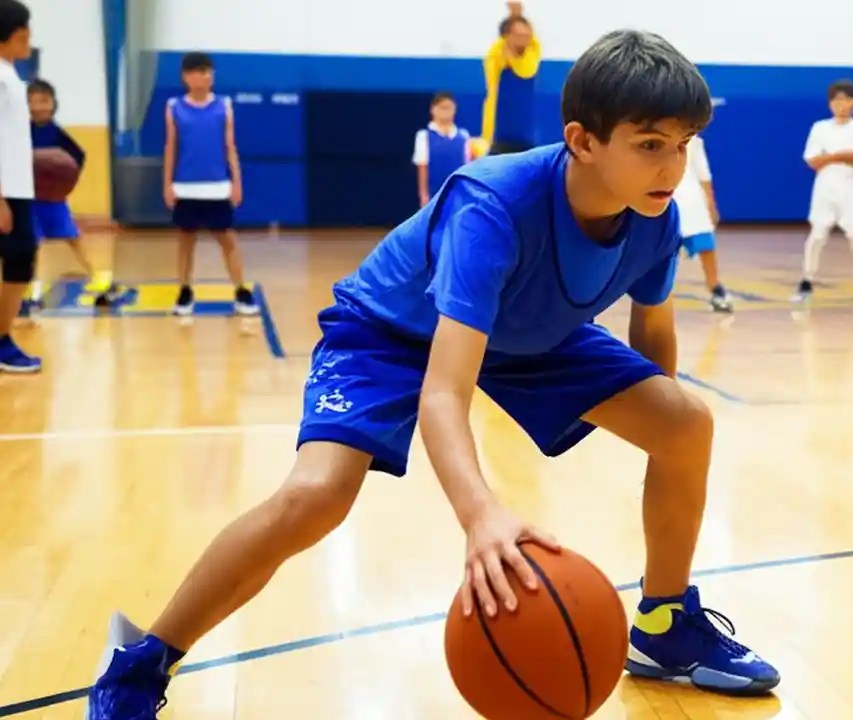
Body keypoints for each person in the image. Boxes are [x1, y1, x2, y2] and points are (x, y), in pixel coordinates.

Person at [85, 29, 781, 719]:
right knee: (316, 495)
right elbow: (443, 392)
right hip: (390, 330)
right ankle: (143, 659)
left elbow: (653, 331)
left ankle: (663, 626)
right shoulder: (493, 205)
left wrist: (652, 420)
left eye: (684, 144)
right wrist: (480, 516)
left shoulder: (656, 219)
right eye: (651, 145)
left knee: (687, 424)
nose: (672, 166)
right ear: (583, 140)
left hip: (527, 334)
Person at [164, 51, 258, 317]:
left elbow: (230, 146)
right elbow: (171, 147)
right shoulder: (173, 107)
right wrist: (167, 183)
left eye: (208, 71)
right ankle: (184, 291)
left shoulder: (223, 105)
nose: (205, 76)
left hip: (218, 186)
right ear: (186, 77)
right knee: (185, 241)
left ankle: (241, 290)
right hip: (185, 186)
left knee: (228, 240)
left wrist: (236, 182)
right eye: (199, 71)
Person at [26, 78, 117, 313]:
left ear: (53, 104)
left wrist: (64, 184)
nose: (38, 107)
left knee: (72, 238)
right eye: (33, 101)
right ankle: (32, 291)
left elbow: (78, 158)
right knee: (30, 245)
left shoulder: (58, 134)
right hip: (29, 198)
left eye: (44, 101)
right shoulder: (20, 132)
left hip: (54, 200)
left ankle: (98, 278)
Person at [793, 79, 853, 308]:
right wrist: (837, 156)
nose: (839, 104)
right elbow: (813, 161)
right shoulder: (820, 128)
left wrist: (829, 157)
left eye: (844, 99)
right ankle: (806, 283)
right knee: (817, 236)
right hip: (824, 190)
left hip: (850, 191)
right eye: (835, 100)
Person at [0, 0, 38, 373]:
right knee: (18, 262)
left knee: (20, 263)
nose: (29, 37)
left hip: (17, 189)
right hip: (5, 192)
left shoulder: (10, 74)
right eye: (25, 30)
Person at [672, 133, 731, 312]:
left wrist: (711, 205)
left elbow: (703, 173)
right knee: (661, 253)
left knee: (706, 246)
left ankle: (715, 289)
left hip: (692, 200)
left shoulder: (695, 141)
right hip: (663, 198)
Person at [481, 3, 541, 155]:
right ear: (507, 36)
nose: (523, 38)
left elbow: (526, 70)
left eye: (526, 35)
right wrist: (514, 16)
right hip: (499, 134)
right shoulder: (497, 59)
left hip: (526, 136)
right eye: (518, 35)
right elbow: (502, 46)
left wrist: (518, 16)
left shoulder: (531, 57)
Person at [413, 91, 473, 206]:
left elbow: (467, 166)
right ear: (433, 110)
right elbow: (422, 168)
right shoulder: (424, 135)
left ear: (454, 110)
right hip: (434, 193)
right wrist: (424, 196)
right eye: (442, 108)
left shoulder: (464, 135)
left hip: (458, 193)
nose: (445, 112)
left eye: (449, 108)